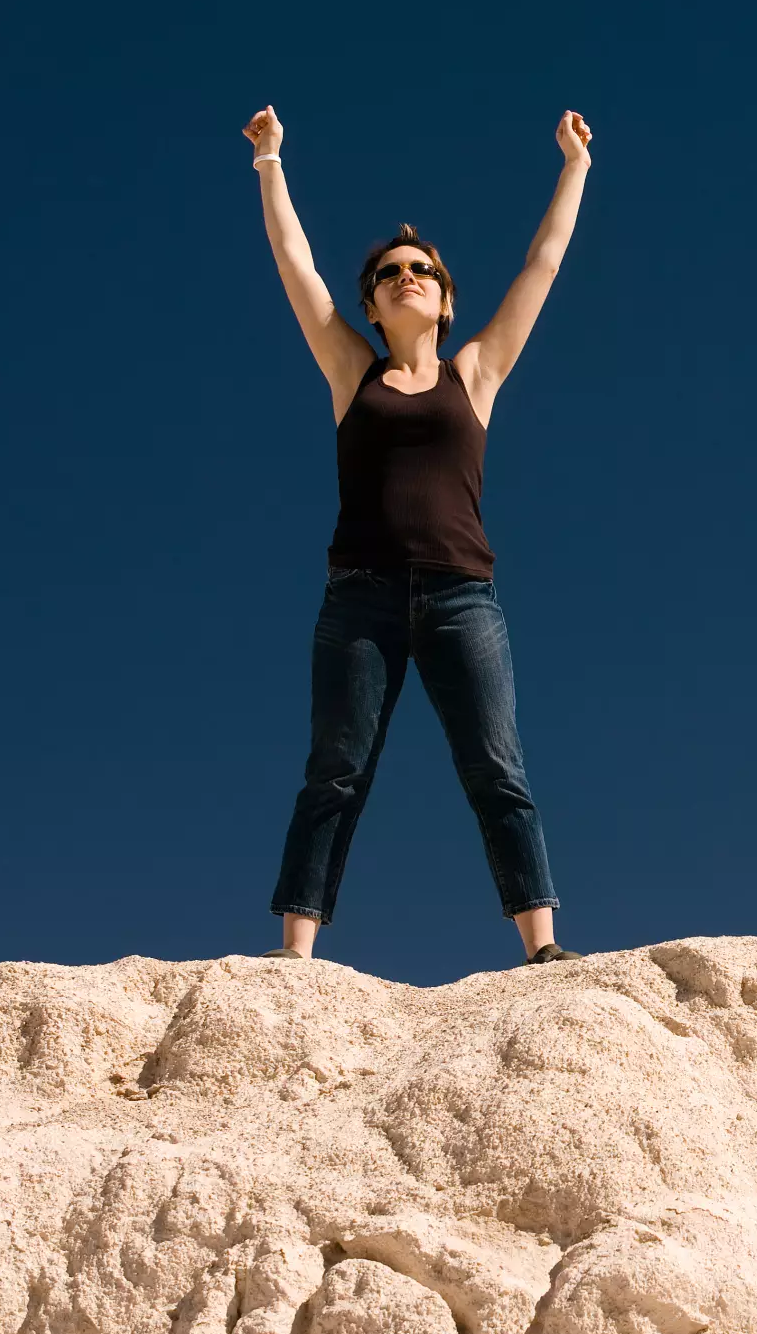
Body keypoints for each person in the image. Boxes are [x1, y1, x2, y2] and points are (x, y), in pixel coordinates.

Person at [241, 102, 592, 965]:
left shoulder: (475, 372)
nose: (407, 275)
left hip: (460, 595)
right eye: (391, 271)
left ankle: (542, 945)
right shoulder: (349, 369)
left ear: (442, 301)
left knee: (496, 767)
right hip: (357, 599)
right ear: (372, 300)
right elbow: (296, 265)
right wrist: (270, 163)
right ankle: (296, 954)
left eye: (422, 270)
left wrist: (574, 167)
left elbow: (541, 267)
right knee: (335, 771)